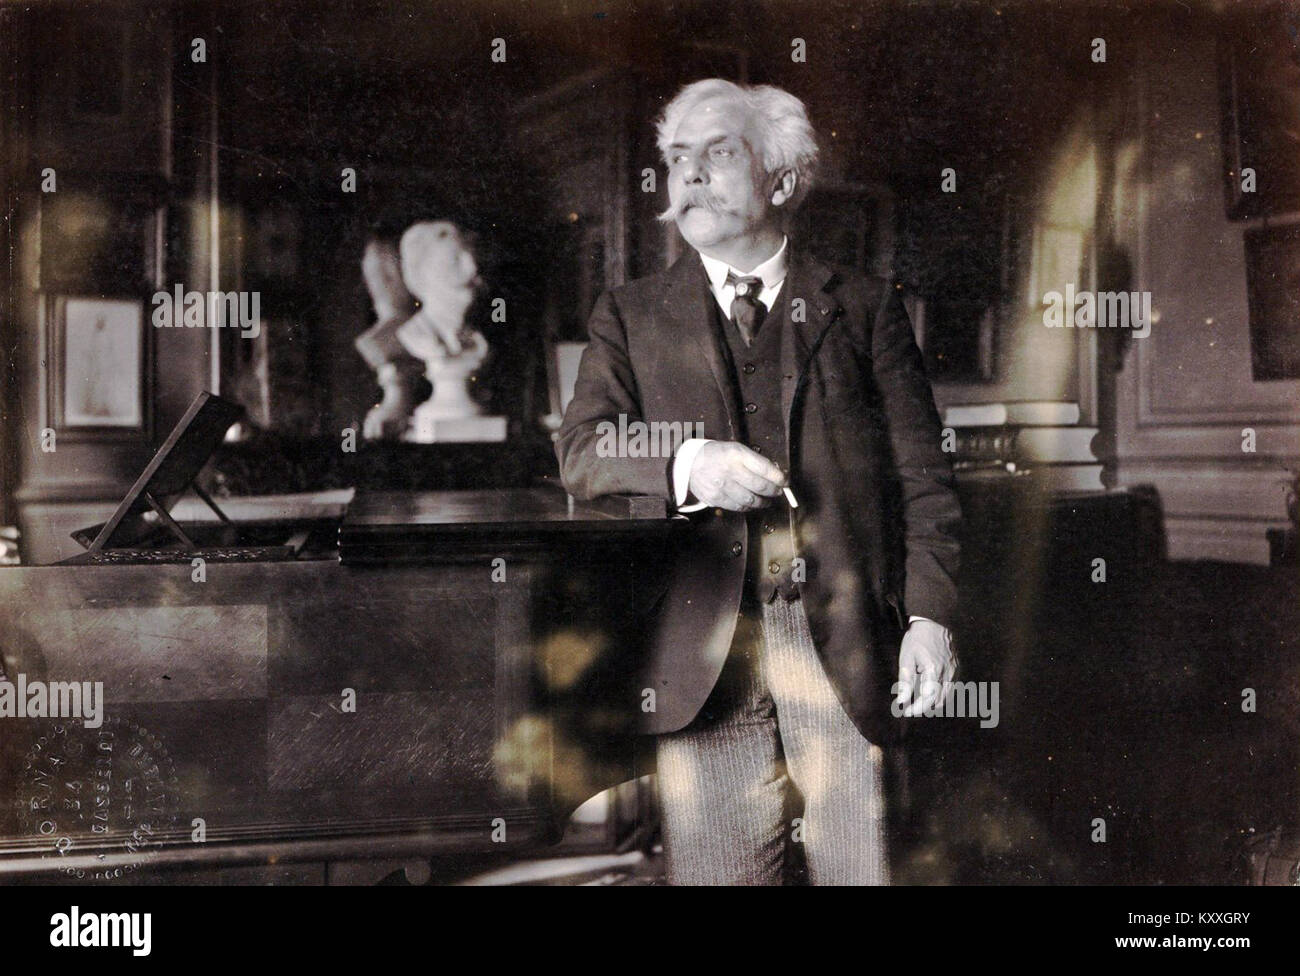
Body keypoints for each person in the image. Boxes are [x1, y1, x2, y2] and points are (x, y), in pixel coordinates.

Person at [556, 79, 962, 885]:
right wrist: (687, 463)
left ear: (780, 180)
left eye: (718, 154)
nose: (690, 176)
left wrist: (931, 616)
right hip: (704, 651)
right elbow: (583, 450)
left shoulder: (866, 308)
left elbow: (925, 477)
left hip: (846, 638)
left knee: (862, 872)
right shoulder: (629, 312)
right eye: (677, 160)